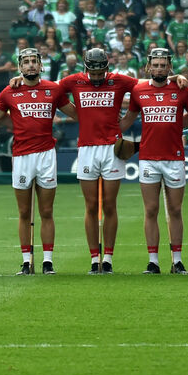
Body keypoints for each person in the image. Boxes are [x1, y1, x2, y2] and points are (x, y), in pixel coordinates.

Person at [0, 48, 75, 275]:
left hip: (46, 155)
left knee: (46, 210)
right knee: (24, 212)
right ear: (20, 67)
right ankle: (26, 261)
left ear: (41, 65)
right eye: (26, 62)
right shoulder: (9, 92)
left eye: (34, 61)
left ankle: (47, 261)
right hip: (22, 156)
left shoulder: (53, 90)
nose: (31, 65)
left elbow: (77, 113)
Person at [119, 47, 188, 274]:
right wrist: (107, 135)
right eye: (155, 65)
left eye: (162, 65)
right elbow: (129, 118)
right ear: (148, 67)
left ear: (169, 67)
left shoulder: (181, 89)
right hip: (148, 158)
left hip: (174, 158)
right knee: (151, 210)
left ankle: (177, 261)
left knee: (175, 210)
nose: (158, 68)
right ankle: (153, 261)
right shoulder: (139, 91)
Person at [55, 47, 140, 273]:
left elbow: (146, 87)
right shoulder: (74, 81)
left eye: (100, 73)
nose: (96, 78)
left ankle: (109, 258)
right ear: (85, 68)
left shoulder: (119, 81)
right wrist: (75, 113)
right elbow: (51, 91)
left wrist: (174, 77)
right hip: (87, 148)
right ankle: (94, 258)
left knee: (110, 204)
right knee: (91, 205)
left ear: (107, 68)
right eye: (92, 73)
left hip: (112, 148)